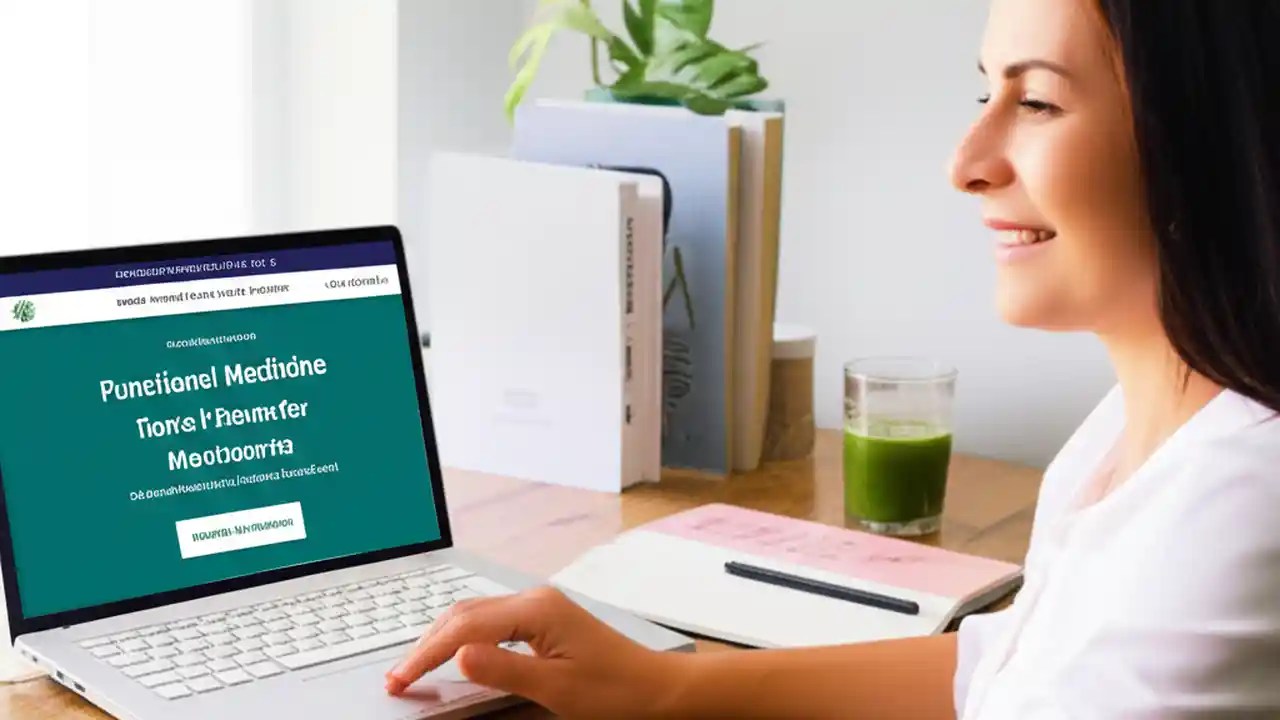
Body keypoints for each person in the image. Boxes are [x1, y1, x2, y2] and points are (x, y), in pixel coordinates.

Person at [385, 0, 1280, 716]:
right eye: (985, 97)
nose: (966, 162)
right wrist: (669, 689)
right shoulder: (1130, 429)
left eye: (1037, 101)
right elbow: (1010, 670)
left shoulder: (1239, 502)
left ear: (1200, 134)